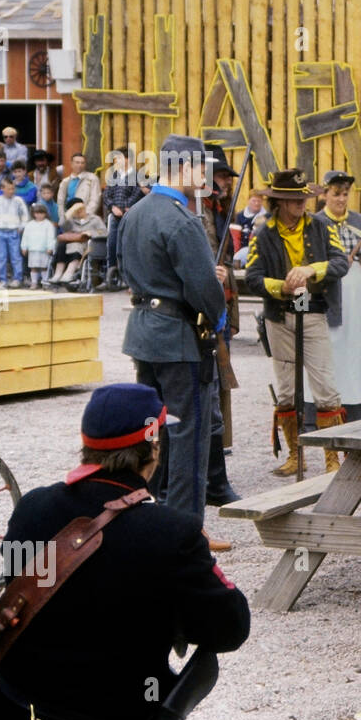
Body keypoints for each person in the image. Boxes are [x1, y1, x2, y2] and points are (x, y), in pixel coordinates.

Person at [0, 383, 250, 720]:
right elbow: (230, 629)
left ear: (87, 445)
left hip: (11, 717)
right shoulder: (173, 533)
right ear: (153, 447)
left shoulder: (32, 508)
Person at [118, 134, 230, 549]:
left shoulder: (135, 213)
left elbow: (123, 267)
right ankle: (184, 530)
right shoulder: (181, 219)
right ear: (183, 167)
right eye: (201, 168)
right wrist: (217, 314)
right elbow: (203, 288)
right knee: (188, 434)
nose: (204, 177)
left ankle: (144, 514)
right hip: (180, 339)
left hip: (145, 332)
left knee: (151, 433)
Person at [246, 168, 349, 476]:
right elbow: (252, 278)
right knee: (288, 390)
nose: (301, 204)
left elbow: (341, 262)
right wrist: (281, 287)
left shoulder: (320, 226)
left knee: (325, 387)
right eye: (293, 200)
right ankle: (296, 456)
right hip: (279, 315)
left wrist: (310, 270)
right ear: (278, 202)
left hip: (312, 310)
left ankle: (333, 459)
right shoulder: (263, 233)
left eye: (303, 198)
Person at [197, 147, 243, 507]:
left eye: (229, 177)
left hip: (221, 304)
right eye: (222, 176)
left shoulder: (219, 209)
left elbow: (225, 259)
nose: (227, 182)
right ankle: (207, 477)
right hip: (201, 309)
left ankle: (216, 465)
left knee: (219, 385)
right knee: (208, 388)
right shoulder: (197, 211)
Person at [314, 171, 361, 421]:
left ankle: (357, 400)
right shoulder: (316, 223)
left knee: (357, 342)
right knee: (332, 342)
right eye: (336, 194)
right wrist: (337, 261)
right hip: (330, 288)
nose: (341, 199)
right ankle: (328, 401)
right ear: (325, 195)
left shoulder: (360, 222)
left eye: (345, 194)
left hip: (357, 291)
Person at [102, 146, 142, 289]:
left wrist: (125, 207)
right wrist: (113, 207)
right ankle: (111, 274)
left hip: (129, 216)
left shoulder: (137, 176)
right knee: (112, 244)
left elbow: (137, 194)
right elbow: (107, 194)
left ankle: (127, 277)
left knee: (126, 245)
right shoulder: (115, 176)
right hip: (115, 216)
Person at [49, 201, 107, 286]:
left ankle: (69, 273)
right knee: (61, 246)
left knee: (76, 246)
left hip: (89, 244)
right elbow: (62, 224)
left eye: (80, 210)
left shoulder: (95, 219)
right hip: (72, 243)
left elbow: (104, 232)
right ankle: (58, 273)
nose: (79, 212)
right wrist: (69, 213)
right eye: (76, 210)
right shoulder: (71, 220)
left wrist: (91, 233)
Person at [0, 174, 29, 288]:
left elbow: (25, 215)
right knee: (1, 257)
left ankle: (17, 278)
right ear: (2, 188)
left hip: (13, 231)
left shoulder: (18, 200)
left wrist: (21, 227)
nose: (12, 191)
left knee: (15, 257)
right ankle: (3, 280)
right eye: (9, 188)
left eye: (13, 188)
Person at [20, 203, 56, 289]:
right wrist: (24, 247)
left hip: (44, 250)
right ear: (33, 213)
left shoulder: (48, 224)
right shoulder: (29, 224)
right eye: (37, 213)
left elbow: (51, 237)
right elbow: (25, 236)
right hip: (33, 249)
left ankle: (44, 282)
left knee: (44, 267)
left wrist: (50, 247)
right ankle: (34, 283)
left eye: (41, 213)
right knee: (34, 267)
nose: (39, 215)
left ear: (45, 213)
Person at [58, 152, 102, 216]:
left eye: (82, 163)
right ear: (72, 164)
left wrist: (85, 215)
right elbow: (60, 202)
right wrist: (62, 217)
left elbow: (95, 200)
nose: (80, 165)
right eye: (77, 162)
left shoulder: (92, 178)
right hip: (68, 216)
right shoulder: (65, 181)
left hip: (85, 216)